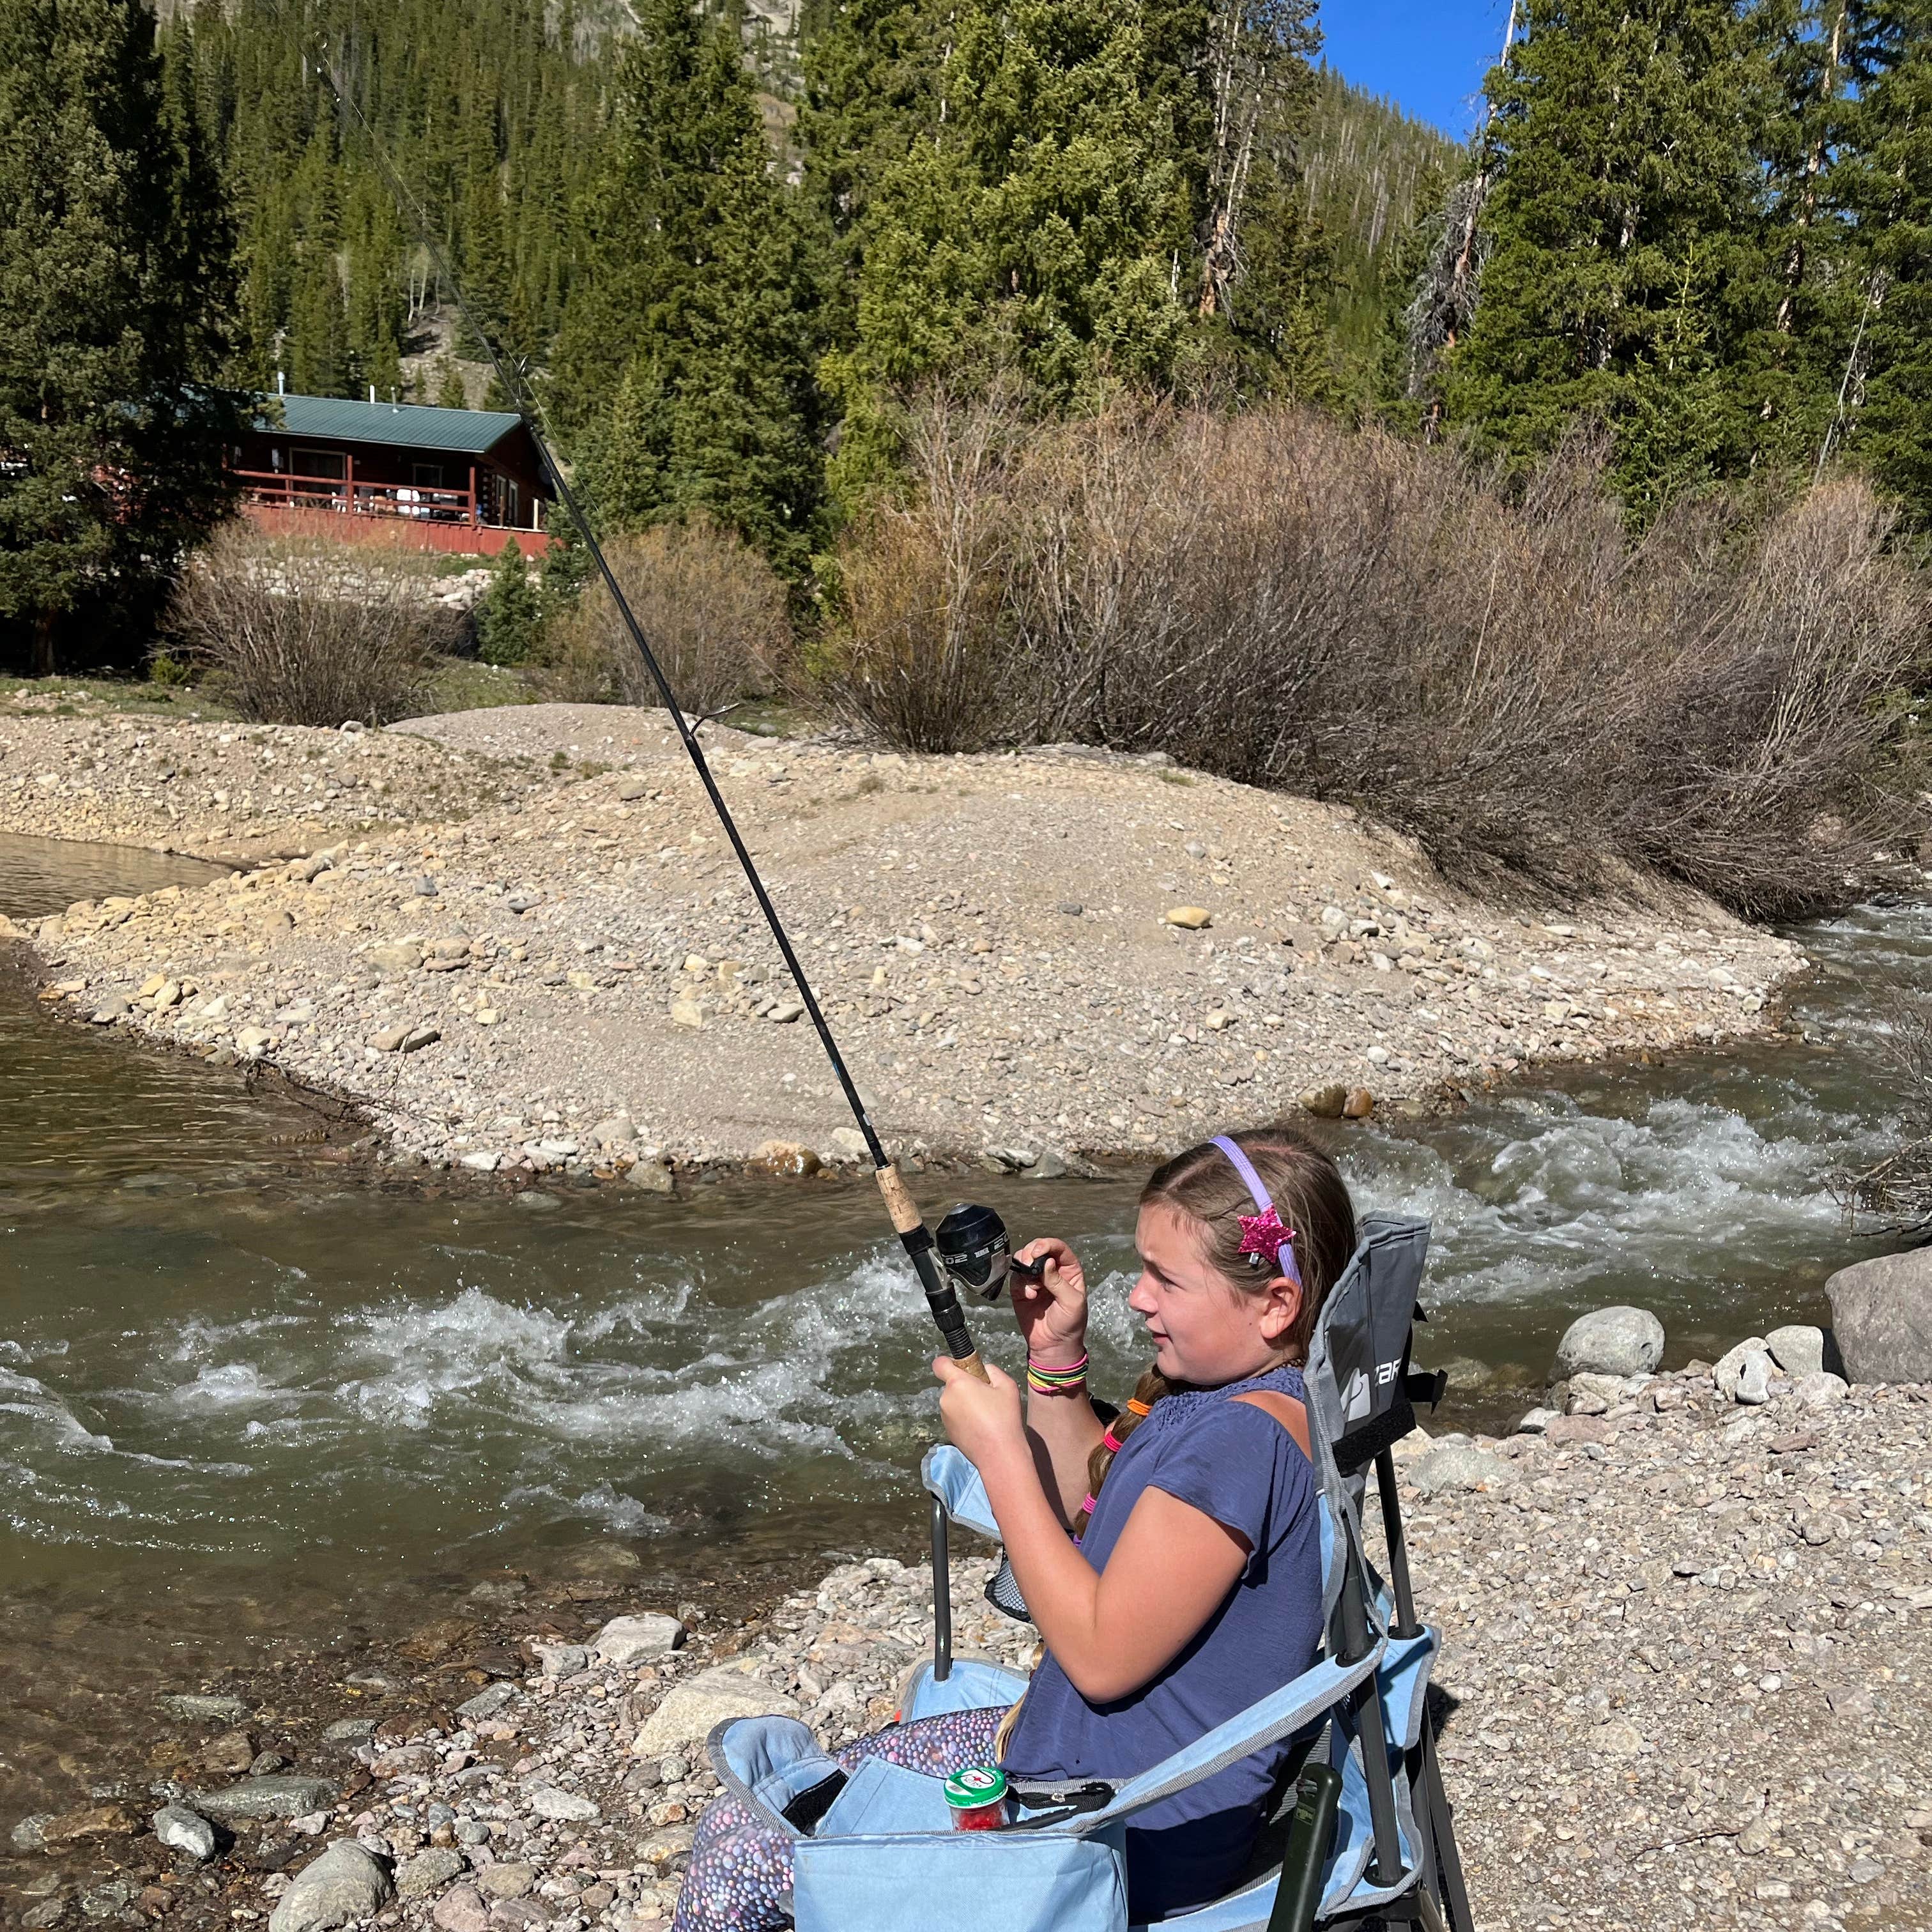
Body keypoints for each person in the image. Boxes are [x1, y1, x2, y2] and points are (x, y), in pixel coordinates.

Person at [671, 1127, 1358, 1930]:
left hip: (1108, 1830)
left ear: (1275, 1306)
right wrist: (1055, 1361)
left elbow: (1100, 1658)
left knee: (738, 1846)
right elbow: (1085, 1512)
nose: (1138, 1297)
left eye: (1166, 1280)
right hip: (1081, 1766)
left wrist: (999, 1455)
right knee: (792, 1796)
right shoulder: (1233, 1400)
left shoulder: (1239, 1442)